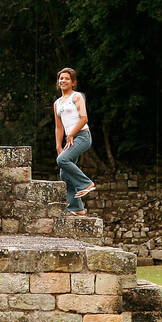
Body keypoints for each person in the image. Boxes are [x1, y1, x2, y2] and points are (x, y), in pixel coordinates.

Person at [54, 67, 95, 216]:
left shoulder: (77, 97)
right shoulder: (57, 103)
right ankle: (76, 207)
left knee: (63, 160)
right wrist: (58, 145)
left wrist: (71, 134)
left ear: (73, 82)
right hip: (69, 140)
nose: (63, 80)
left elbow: (84, 118)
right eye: (61, 78)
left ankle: (86, 184)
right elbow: (59, 127)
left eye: (66, 78)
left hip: (82, 136)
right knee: (64, 174)